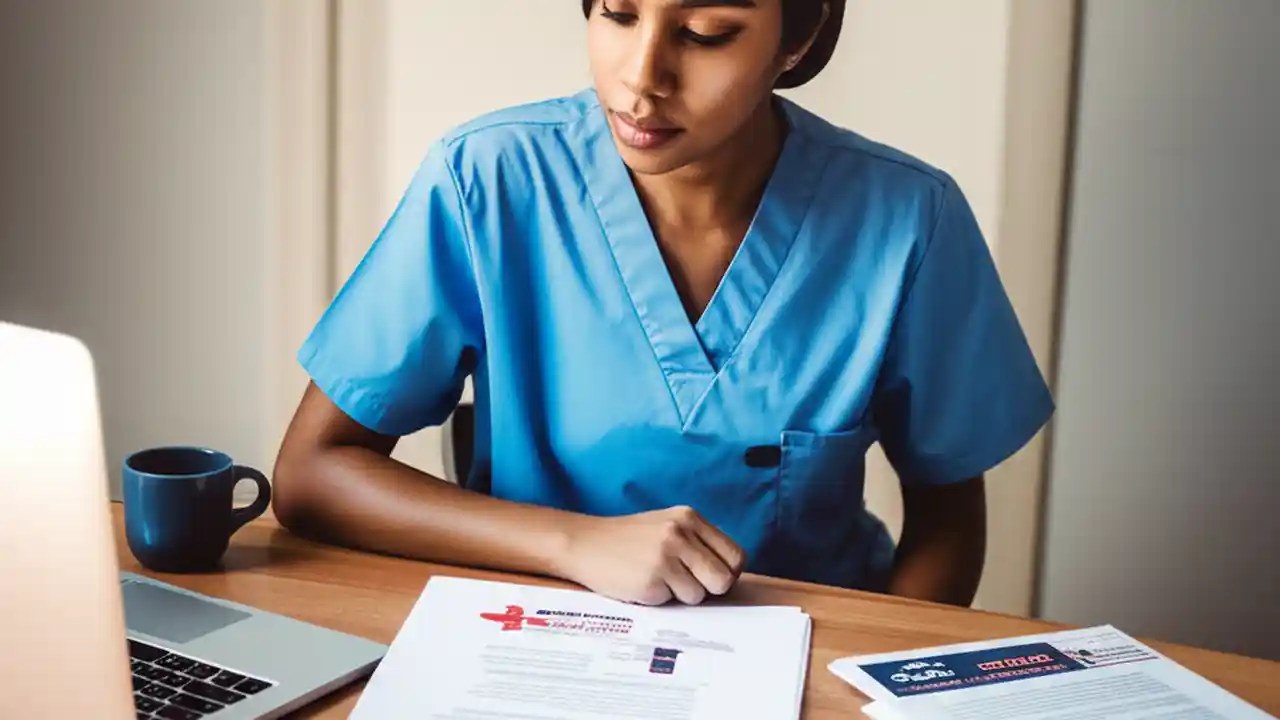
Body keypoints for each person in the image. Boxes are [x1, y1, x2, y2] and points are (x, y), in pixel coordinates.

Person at [271, 0, 1054, 608]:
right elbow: (314, 473)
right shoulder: (488, 179)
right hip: (536, 654)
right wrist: (574, 544)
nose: (641, 78)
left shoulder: (907, 220)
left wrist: (869, 678)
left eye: (706, 33)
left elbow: (949, 520)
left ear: (797, 41)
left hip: (814, 657)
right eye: (618, 14)